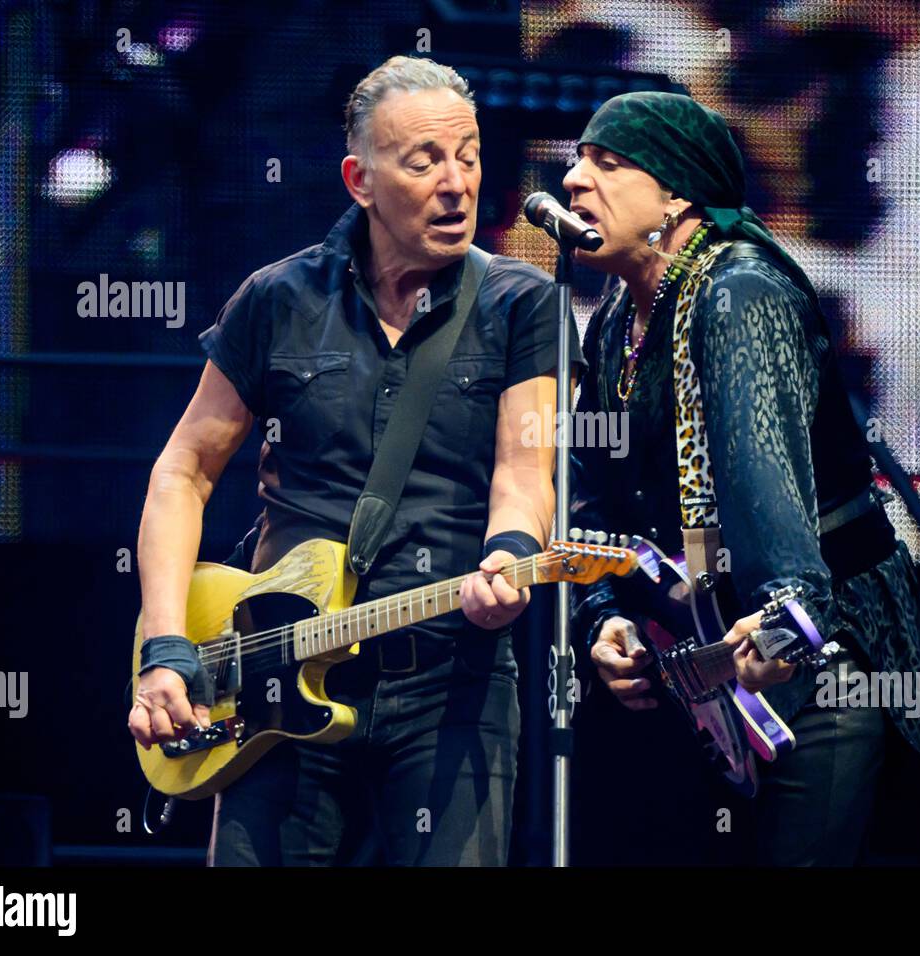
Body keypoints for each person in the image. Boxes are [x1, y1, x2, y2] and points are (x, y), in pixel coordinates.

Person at [127, 56, 579, 866]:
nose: (457, 183)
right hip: (272, 675)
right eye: (425, 161)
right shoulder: (277, 299)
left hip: (451, 682)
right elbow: (182, 471)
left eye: (469, 156)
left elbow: (524, 473)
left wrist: (511, 556)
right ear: (359, 180)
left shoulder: (523, 303)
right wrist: (166, 646)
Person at [565, 91, 920, 865]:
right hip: (709, 673)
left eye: (607, 164)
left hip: (822, 668)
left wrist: (785, 618)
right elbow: (595, 497)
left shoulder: (740, 294)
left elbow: (766, 493)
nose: (575, 180)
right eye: (578, 160)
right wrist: (600, 613)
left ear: (675, 196)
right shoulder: (614, 320)